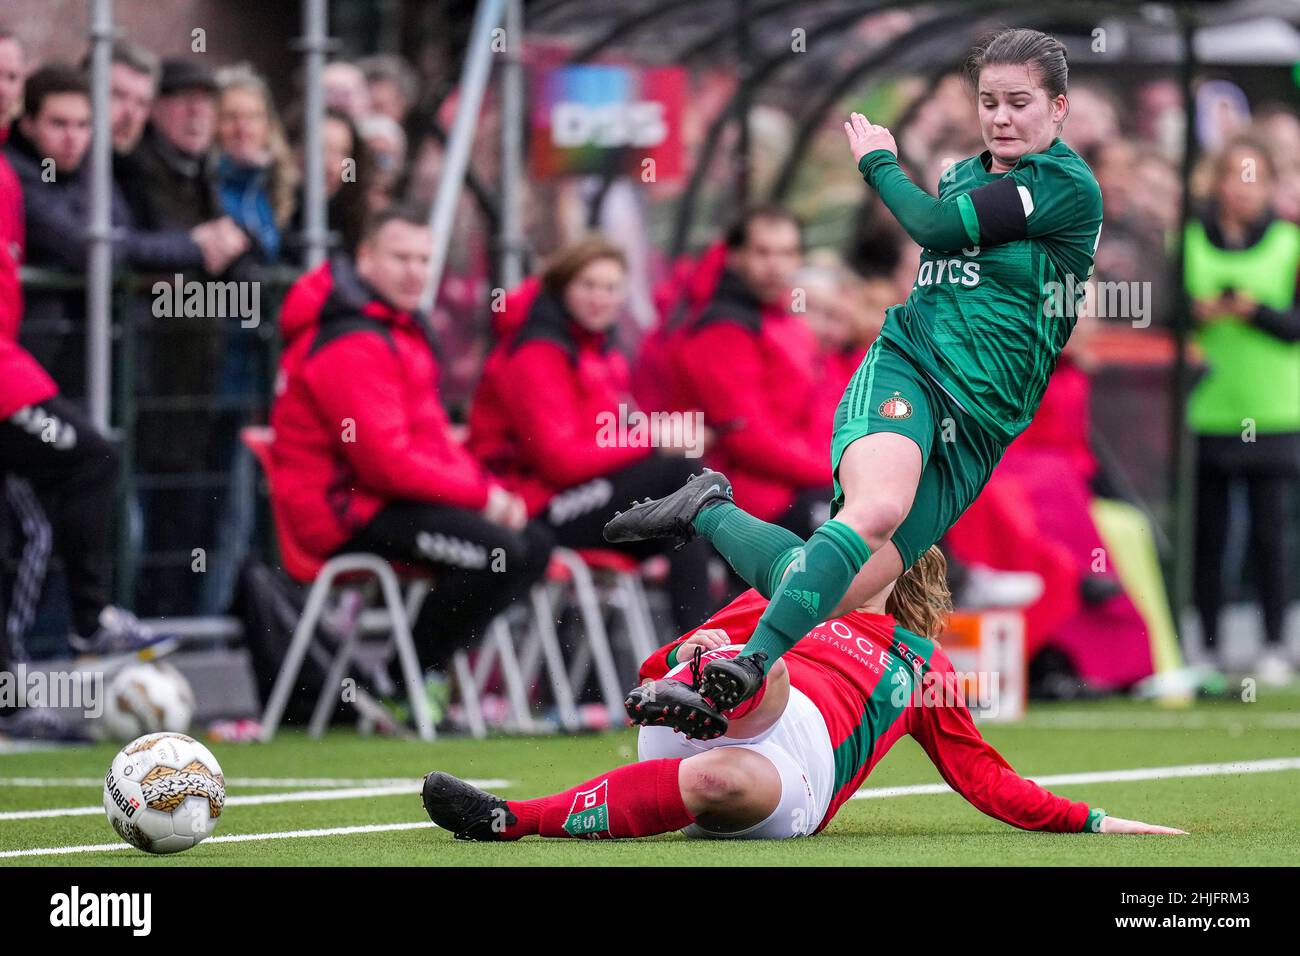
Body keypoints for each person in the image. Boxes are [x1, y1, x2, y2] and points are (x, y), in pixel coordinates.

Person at [605, 28, 1104, 716]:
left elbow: (934, 227)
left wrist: (879, 163)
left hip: (982, 428)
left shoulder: (1065, 185)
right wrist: (882, 166)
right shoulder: (964, 175)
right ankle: (750, 663)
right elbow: (936, 232)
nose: (1001, 117)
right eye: (989, 101)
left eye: (1020, 102)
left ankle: (708, 511)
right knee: (878, 509)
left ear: (1059, 107)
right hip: (911, 369)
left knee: (833, 591)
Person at [423, 546, 1185, 841]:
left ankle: (718, 693)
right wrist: (691, 650)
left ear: (904, 563)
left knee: (749, 716)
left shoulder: (922, 664)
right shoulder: (785, 596)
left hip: (792, 770)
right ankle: (508, 819)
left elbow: (984, 776)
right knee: (753, 659)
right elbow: (655, 661)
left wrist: (1092, 820)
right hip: (699, 712)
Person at [269, 204, 552, 681]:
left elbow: (433, 441)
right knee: (498, 553)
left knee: (533, 544)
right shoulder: (351, 340)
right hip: (343, 514)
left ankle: (417, 679)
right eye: (400, 258)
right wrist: (483, 498)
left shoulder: (400, 329)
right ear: (365, 258)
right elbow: (384, 463)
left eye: (424, 259)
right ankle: (405, 682)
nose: (415, 272)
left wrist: (489, 492)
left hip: (385, 503)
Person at [468, 235, 715, 632]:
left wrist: (657, 435)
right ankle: (699, 644)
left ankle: (704, 647)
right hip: (533, 509)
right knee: (681, 477)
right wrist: (652, 439)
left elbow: (605, 444)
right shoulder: (535, 353)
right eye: (588, 285)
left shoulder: (600, 353)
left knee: (690, 512)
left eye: (611, 288)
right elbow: (560, 461)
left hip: (580, 500)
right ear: (563, 287)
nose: (600, 298)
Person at [1188, 136, 1300, 685]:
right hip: (1208, 410)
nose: (1243, 189)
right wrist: (1199, 314)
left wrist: (1253, 311)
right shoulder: (1189, 240)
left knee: (1271, 534)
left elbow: (1295, 326)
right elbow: (1164, 314)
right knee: (1209, 535)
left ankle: (1275, 643)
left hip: (1273, 410)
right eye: (1234, 175)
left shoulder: (1289, 243)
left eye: (1254, 177)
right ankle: (1206, 648)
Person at [214, 63, 297, 264]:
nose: (242, 129)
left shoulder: (280, 184)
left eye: (253, 117)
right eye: (230, 117)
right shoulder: (204, 185)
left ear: (268, 125)